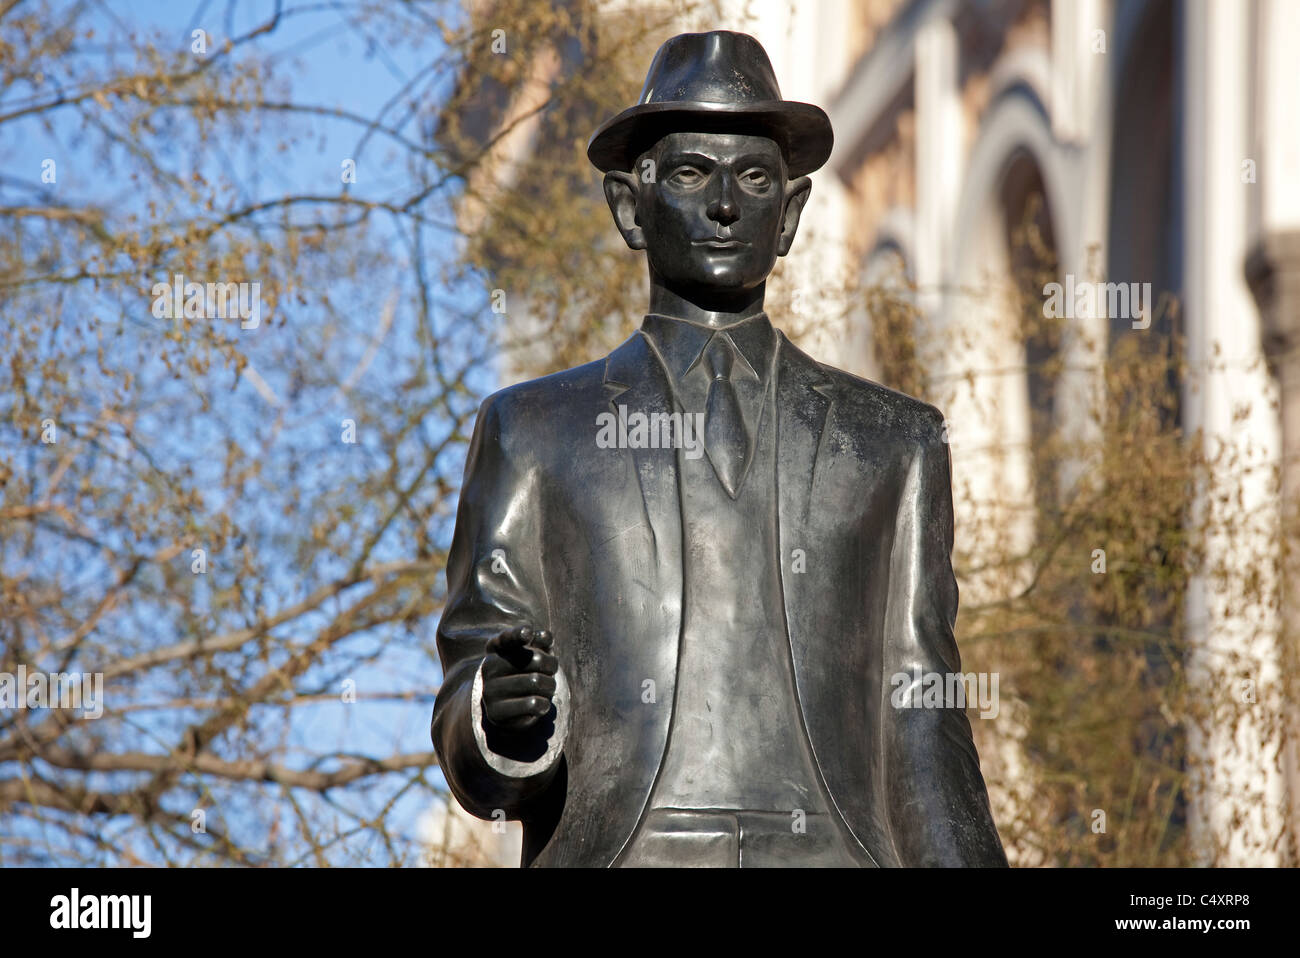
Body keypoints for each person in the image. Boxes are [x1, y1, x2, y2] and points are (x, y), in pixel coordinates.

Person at [431, 30, 1008, 868]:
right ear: (632, 207)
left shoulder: (894, 443)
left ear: (792, 213)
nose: (726, 204)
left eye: (756, 177)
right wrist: (500, 715)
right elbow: (477, 675)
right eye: (695, 173)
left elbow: (923, 718)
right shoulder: (534, 430)